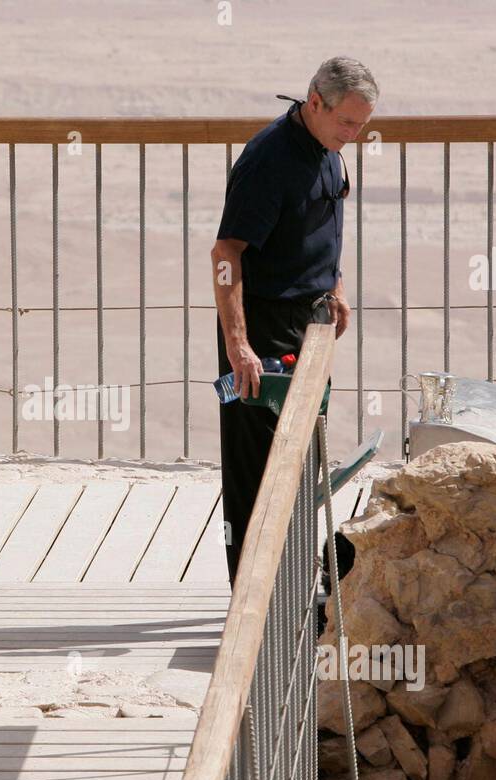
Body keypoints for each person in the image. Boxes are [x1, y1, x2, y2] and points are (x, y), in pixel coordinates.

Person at [212, 57, 377, 584]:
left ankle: (295, 584)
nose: (353, 135)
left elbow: (322, 220)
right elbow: (225, 253)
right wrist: (239, 347)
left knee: (303, 459)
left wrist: (336, 284)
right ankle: (253, 597)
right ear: (314, 102)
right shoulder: (269, 160)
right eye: (347, 123)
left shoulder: (328, 149)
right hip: (261, 328)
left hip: (311, 321)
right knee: (259, 468)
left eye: (362, 126)